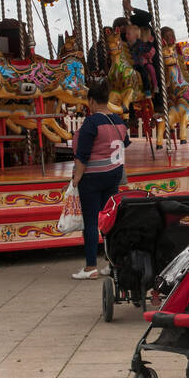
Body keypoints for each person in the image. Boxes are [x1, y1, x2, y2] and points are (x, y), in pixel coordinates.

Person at [70, 80, 131, 280]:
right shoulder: (118, 121)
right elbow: (125, 143)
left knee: (90, 222)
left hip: (93, 177)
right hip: (113, 175)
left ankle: (90, 267)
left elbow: (83, 154)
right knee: (110, 220)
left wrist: (76, 178)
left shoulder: (91, 122)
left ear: (92, 101)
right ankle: (113, 263)